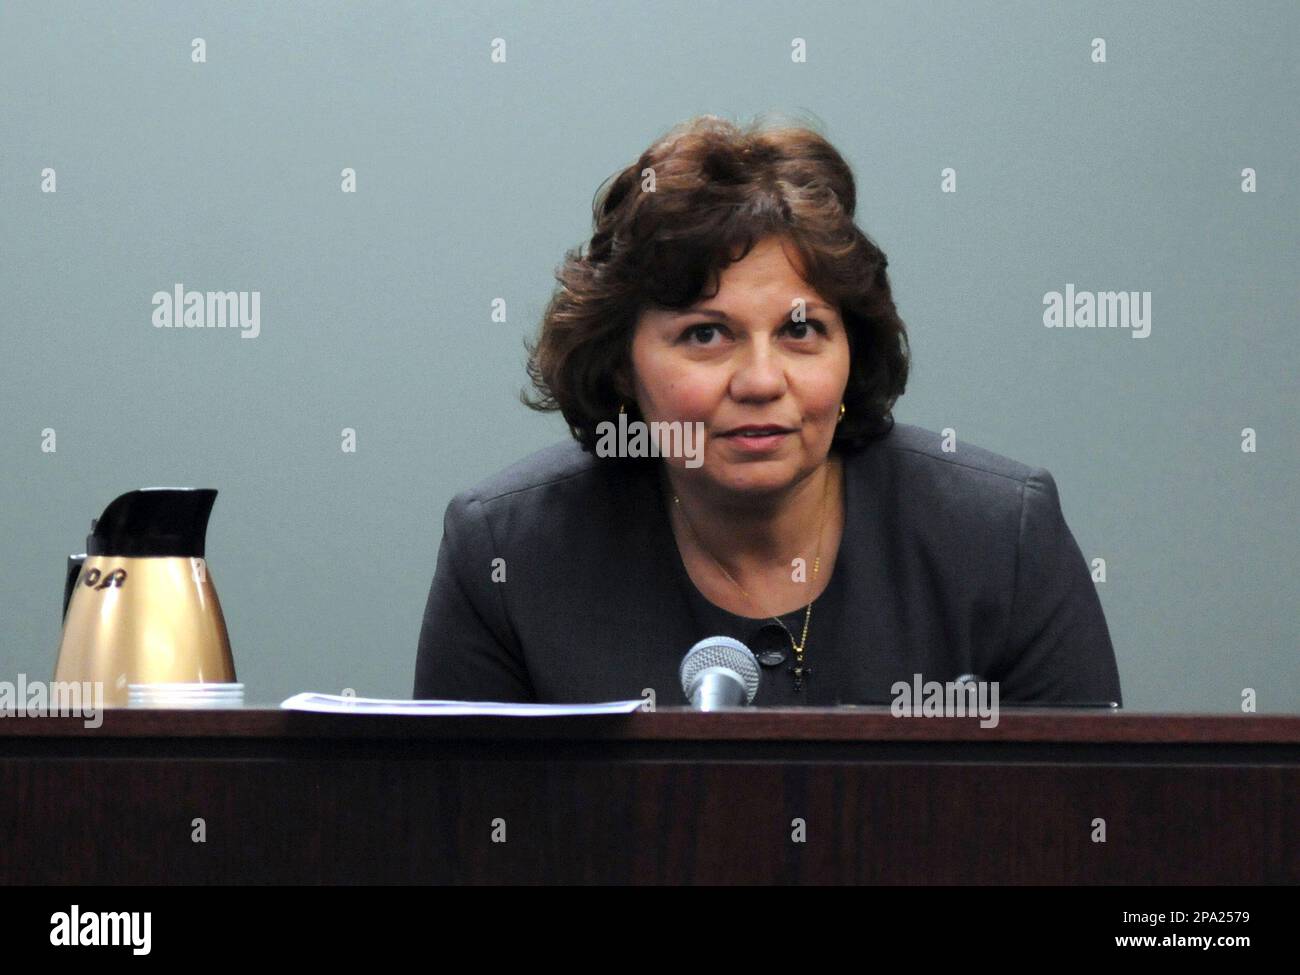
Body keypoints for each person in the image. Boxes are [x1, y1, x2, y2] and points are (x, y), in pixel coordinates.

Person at [414, 114, 1122, 707]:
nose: (760, 379)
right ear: (622, 363)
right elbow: (459, 846)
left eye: (800, 330)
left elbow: (1094, 837)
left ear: (852, 348)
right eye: (705, 334)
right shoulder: (506, 556)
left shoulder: (1004, 542)